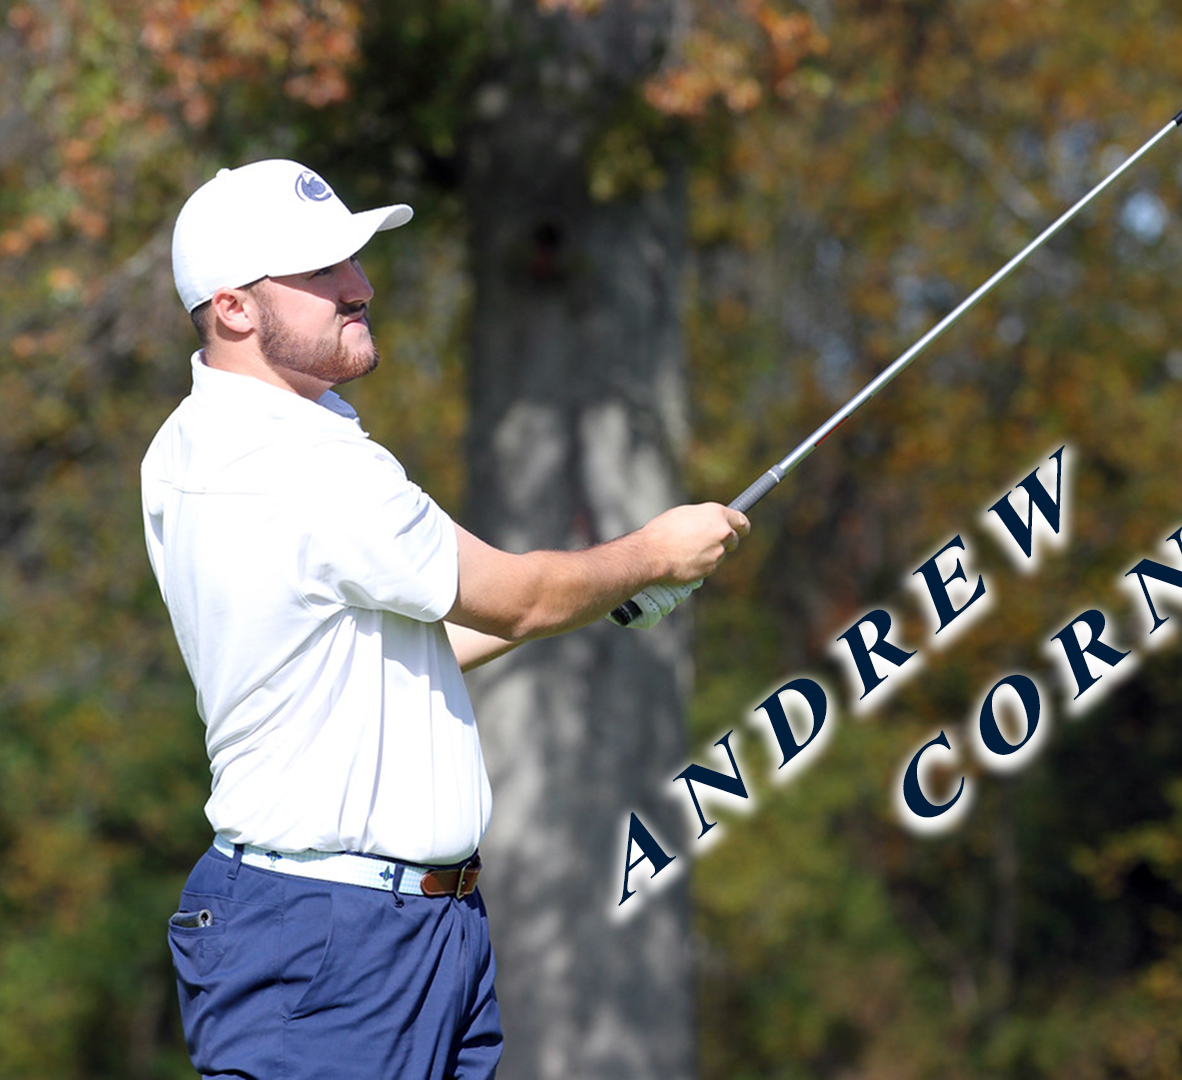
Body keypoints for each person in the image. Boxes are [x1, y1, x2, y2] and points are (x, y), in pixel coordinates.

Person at [142, 158, 748, 1078]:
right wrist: (656, 552)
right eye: (321, 273)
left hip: (402, 931)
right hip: (334, 944)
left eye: (352, 260)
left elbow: (371, 657)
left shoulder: (190, 441)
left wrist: (605, 599)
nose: (360, 286)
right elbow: (520, 594)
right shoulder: (309, 465)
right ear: (232, 308)